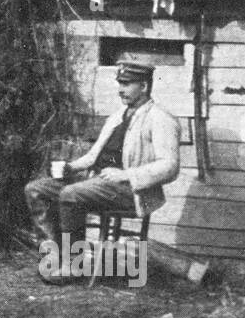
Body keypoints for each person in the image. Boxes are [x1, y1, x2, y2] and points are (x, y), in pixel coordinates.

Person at [23, 61, 180, 285]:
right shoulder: (117, 117)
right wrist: (70, 167)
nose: (120, 89)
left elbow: (170, 166)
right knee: (36, 189)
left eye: (126, 84)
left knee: (71, 194)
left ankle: (72, 265)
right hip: (98, 183)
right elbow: (93, 156)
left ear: (144, 86)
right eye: (119, 83)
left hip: (132, 191)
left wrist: (126, 175)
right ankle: (53, 256)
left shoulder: (161, 119)